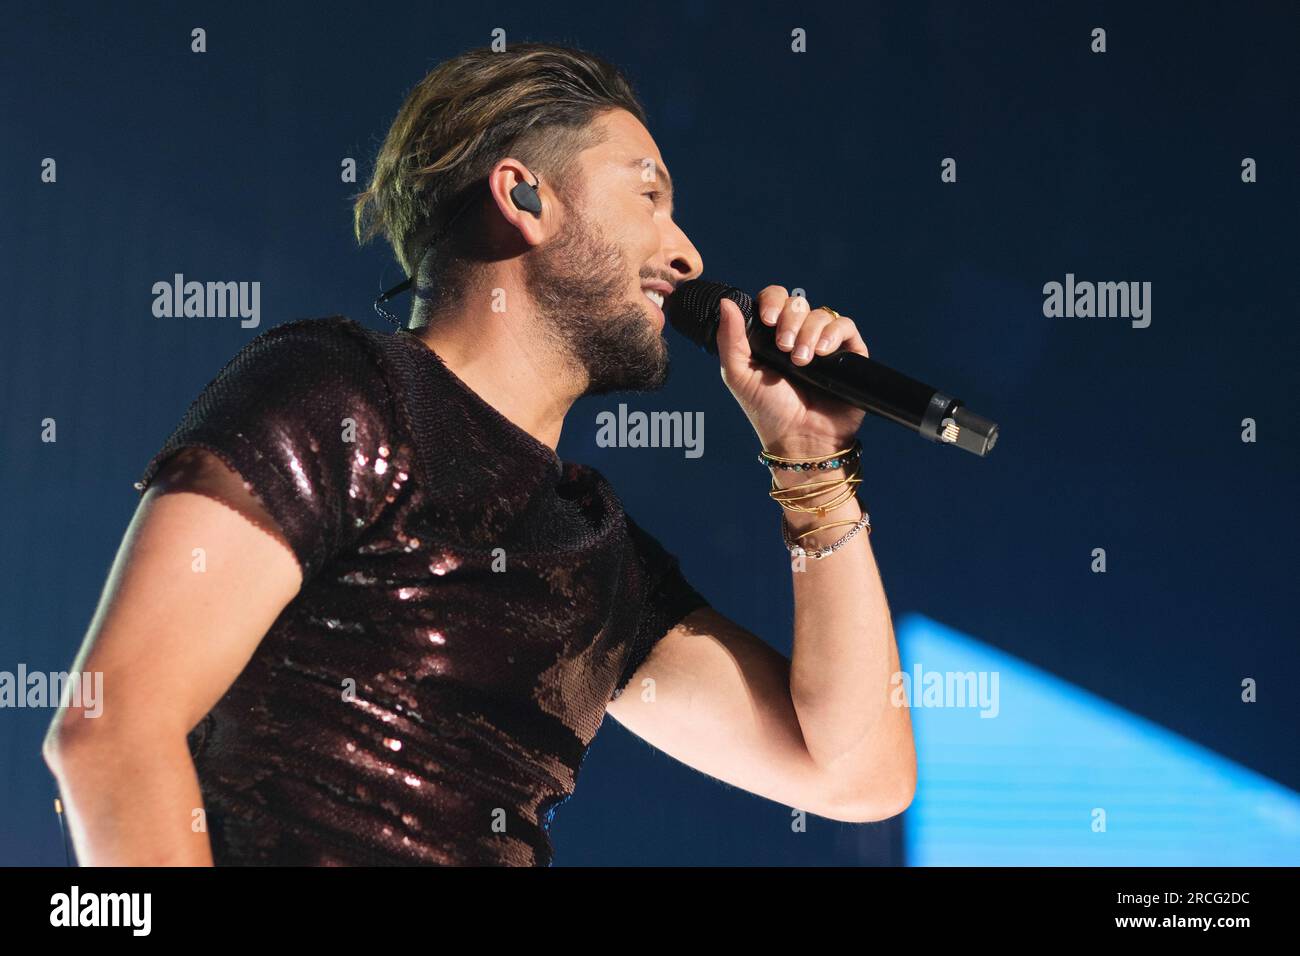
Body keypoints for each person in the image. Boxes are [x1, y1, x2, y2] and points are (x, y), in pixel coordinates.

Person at [42, 42, 915, 865]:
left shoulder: (596, 552)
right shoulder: (343, 391)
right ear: (522, 195)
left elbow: (854, 773)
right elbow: (111, 728)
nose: (686, 253)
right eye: (649, 196)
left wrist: (813, 461)